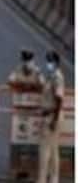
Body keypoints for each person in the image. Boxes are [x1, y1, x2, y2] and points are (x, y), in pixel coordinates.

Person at [38, 50, 65, 183]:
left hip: (51, 117)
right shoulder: (51, 76)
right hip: (52, 116)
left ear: (55, 62)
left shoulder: (57, 77)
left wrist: (53, 119)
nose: (47, 63)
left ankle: (42, 180)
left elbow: (59, 99)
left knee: (44, 152)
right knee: (53, 151)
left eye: (49, 60)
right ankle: (54, 179)